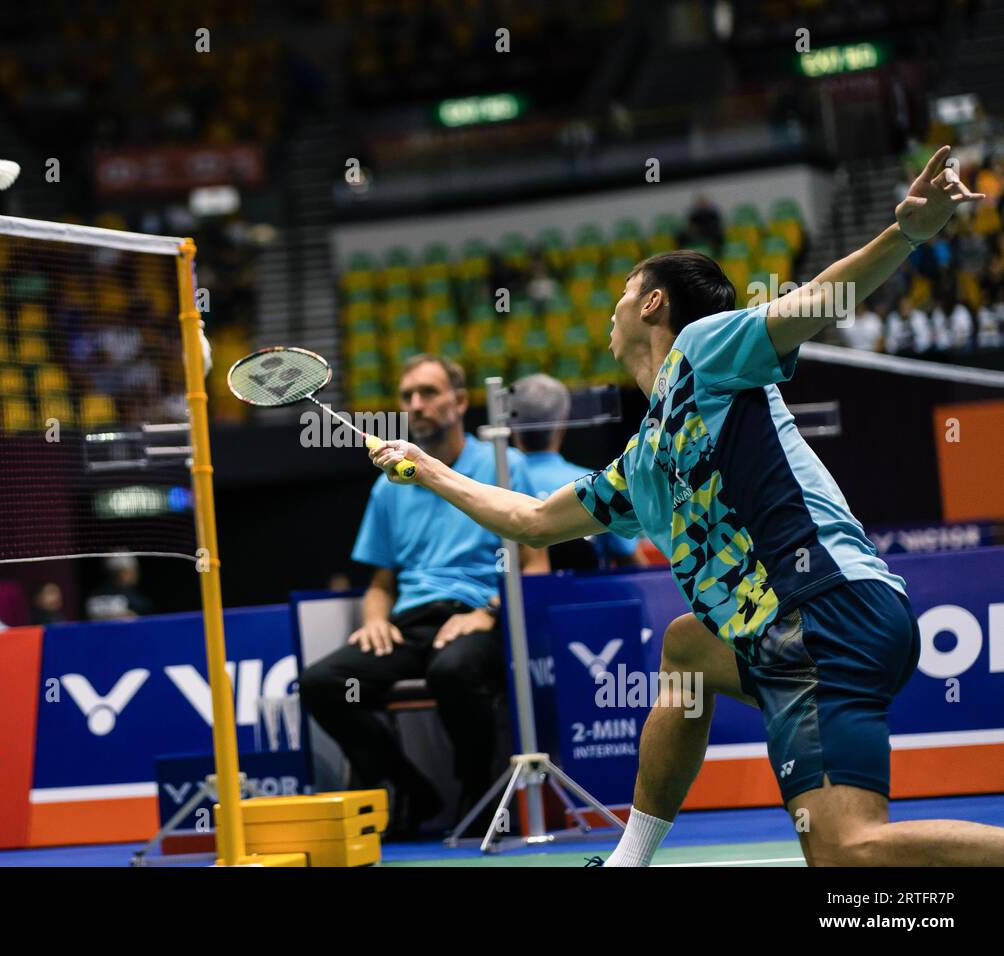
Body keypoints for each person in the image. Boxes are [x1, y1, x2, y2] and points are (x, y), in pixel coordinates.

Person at [370, 147, 1004, 866]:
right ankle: (628, 861)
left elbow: (816, 302)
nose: (611, 306)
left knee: (847, 853)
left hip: (825, 610)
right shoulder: (645, 458)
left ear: (652, 303)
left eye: (623, 290)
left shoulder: (705, 351)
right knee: (686, 648)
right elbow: (533, 520)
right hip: (782, 634)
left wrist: (908, 235)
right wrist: (426, 468)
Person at [299, 354, 549, 840]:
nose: (417, 404)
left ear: (459, 401)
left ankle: (480, 800)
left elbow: (535, 564)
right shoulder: (388, 486)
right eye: (407, 396)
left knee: (452, 669)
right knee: (323, 682)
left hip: (480, 618)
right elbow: (380, 585)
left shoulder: (502, 462)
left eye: (430, 393)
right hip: (412, 623)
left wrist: (487, 613)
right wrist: (375, 619)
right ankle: (408, 787)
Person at [509, 373, 643, 569]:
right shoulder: (598, 485)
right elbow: (633, 565)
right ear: (563, 420)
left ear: (510, 424)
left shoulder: (495, 485)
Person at [85, 555, 154, 620]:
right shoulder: (98, 594)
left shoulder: (137, 597)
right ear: (117, 572)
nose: (134, 574)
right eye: (128, 571)